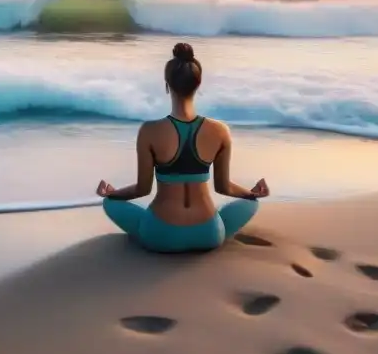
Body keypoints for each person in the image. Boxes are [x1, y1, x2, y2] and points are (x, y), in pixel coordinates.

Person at [96, 42, 270, 253]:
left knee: (109, 204)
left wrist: (113, 194)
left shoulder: (149, 131)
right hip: (209, 233)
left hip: (161, 234)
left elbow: (143, 189)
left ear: (167, 84)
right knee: (251, 203)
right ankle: (222, 221)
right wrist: (251, 193)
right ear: (199, 84)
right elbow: (224, 187)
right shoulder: (220, 131)